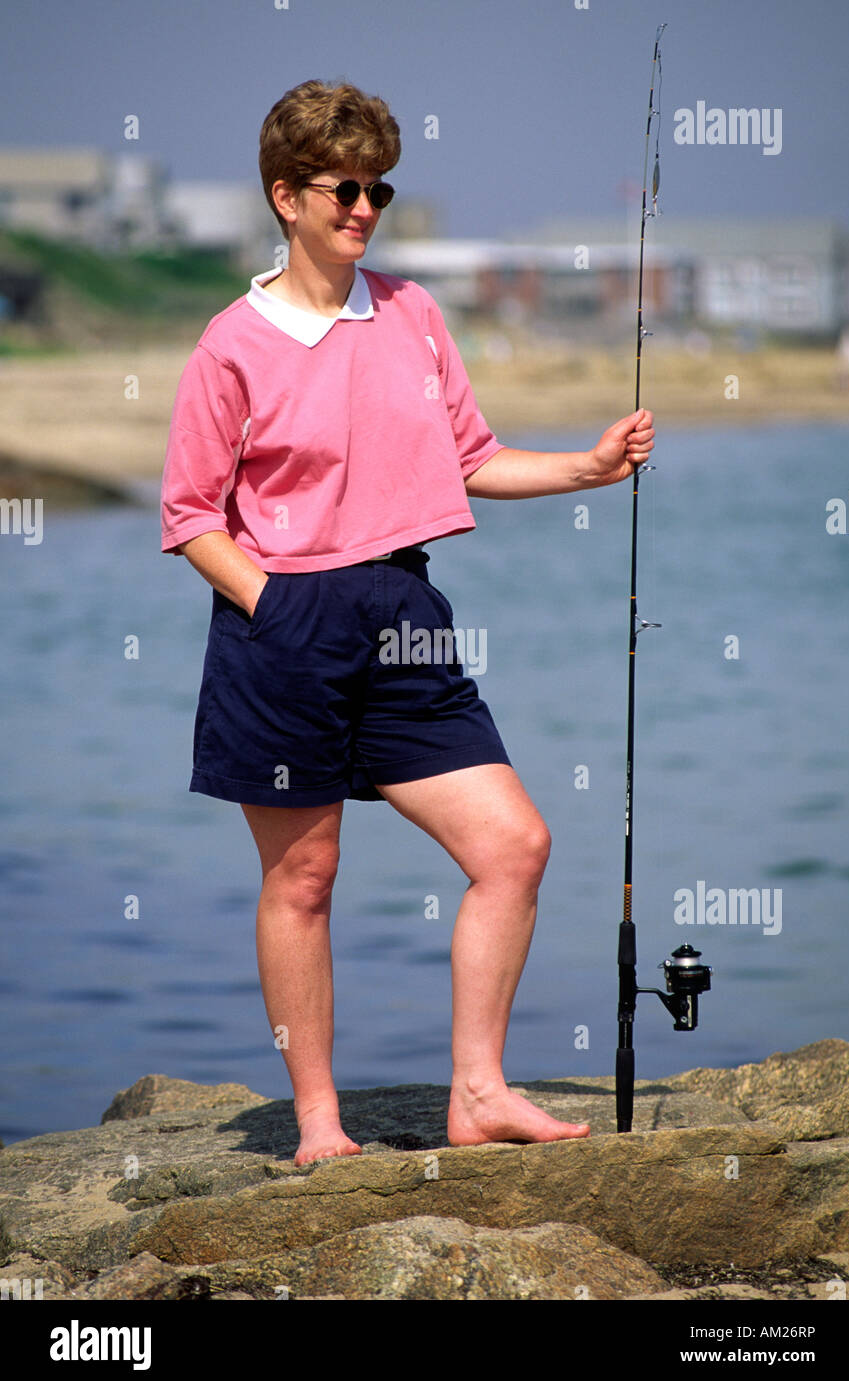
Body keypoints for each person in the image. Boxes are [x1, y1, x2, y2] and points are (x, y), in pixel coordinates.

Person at [160, 79, 655, 1166]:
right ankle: (319, 1123)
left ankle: (477, 1093)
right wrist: (274, 602)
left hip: (406, 613)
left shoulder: (415, 314)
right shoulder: (229, 344)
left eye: (380, 186)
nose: (366, 207)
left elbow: (472, 457)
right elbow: (189, 516)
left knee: (514, 843)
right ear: (286, 195)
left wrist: (586, 463)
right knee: (305, 876)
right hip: (280, 624)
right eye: (345, 187)